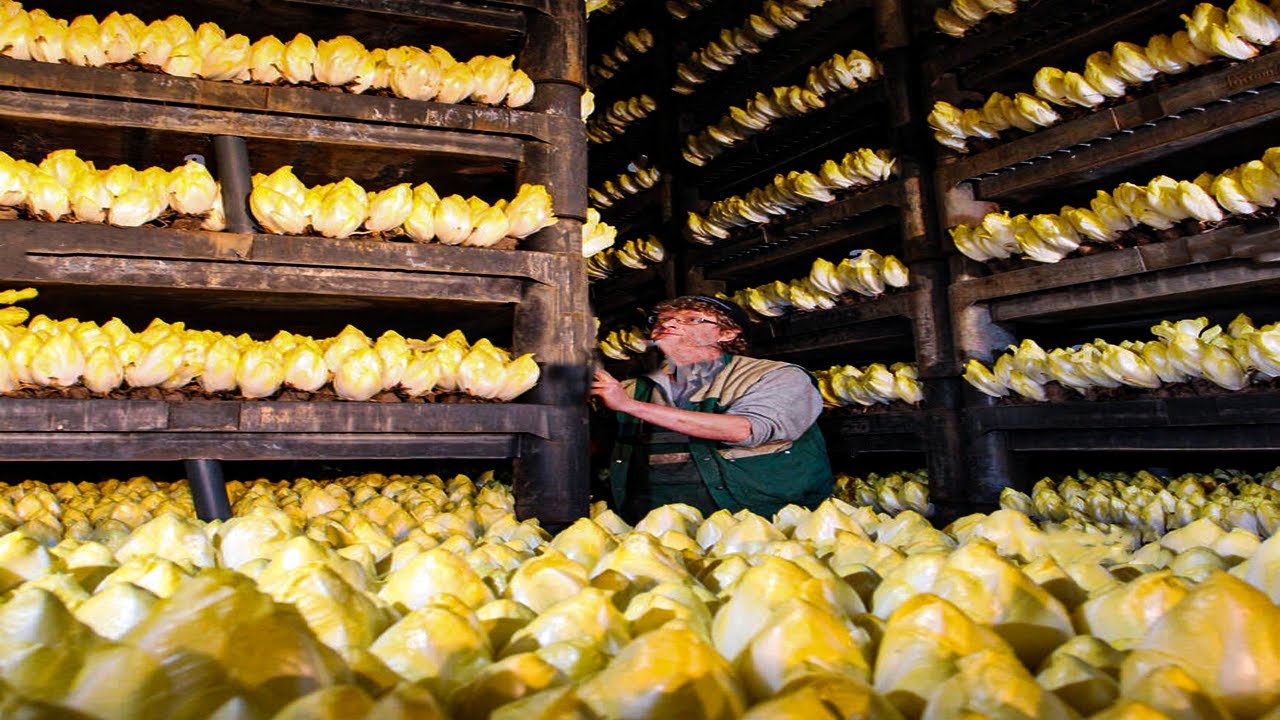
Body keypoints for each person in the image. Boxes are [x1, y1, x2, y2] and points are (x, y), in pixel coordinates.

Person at [591, 295, 833, 521]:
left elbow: (744, 430)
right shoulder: (633, 389)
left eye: (693, 319)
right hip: (657, 524)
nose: (672, 324)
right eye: (664, 319)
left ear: (727, 334)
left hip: (753, 523)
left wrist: (629, 406)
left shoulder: (774, 376)